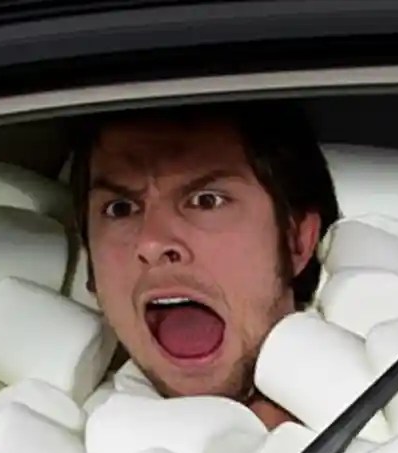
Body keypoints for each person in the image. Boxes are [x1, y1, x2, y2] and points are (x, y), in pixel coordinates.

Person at [66, 100, 338, 430]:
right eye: (120, 209)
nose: (151, 243)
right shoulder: (65, 447)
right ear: (92, 268)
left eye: (206, 201)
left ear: (296, 241)